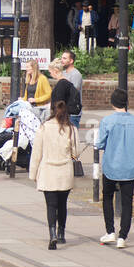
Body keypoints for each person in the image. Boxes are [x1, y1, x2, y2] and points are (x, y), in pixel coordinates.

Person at [93, 87, 134, 248]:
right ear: (126, 102)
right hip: (130, 167)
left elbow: (100, 143)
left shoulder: (107, 121)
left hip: (111, 165)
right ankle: (123, 236)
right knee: (127, 202)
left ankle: (110, 231)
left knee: (107, 197)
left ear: (112, 103)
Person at [30, 98, 81, 249]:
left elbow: (36, 153)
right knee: (62, 204)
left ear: (52, 112)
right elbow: (76, 153)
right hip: (64, 172)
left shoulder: (44, 127)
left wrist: (33, 174)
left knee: (51, 205)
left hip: (48, 172)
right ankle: (61, 234)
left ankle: (52, 234)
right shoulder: (71, 129)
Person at [59, 50, 83, 128]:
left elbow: (73, 93)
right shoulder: (63, 73)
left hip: (72, 113)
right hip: (63, 111)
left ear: (71, 61)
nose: (62, 60)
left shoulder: (76, 74)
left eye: (65, 58)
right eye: (62, 58)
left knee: (72, 137)